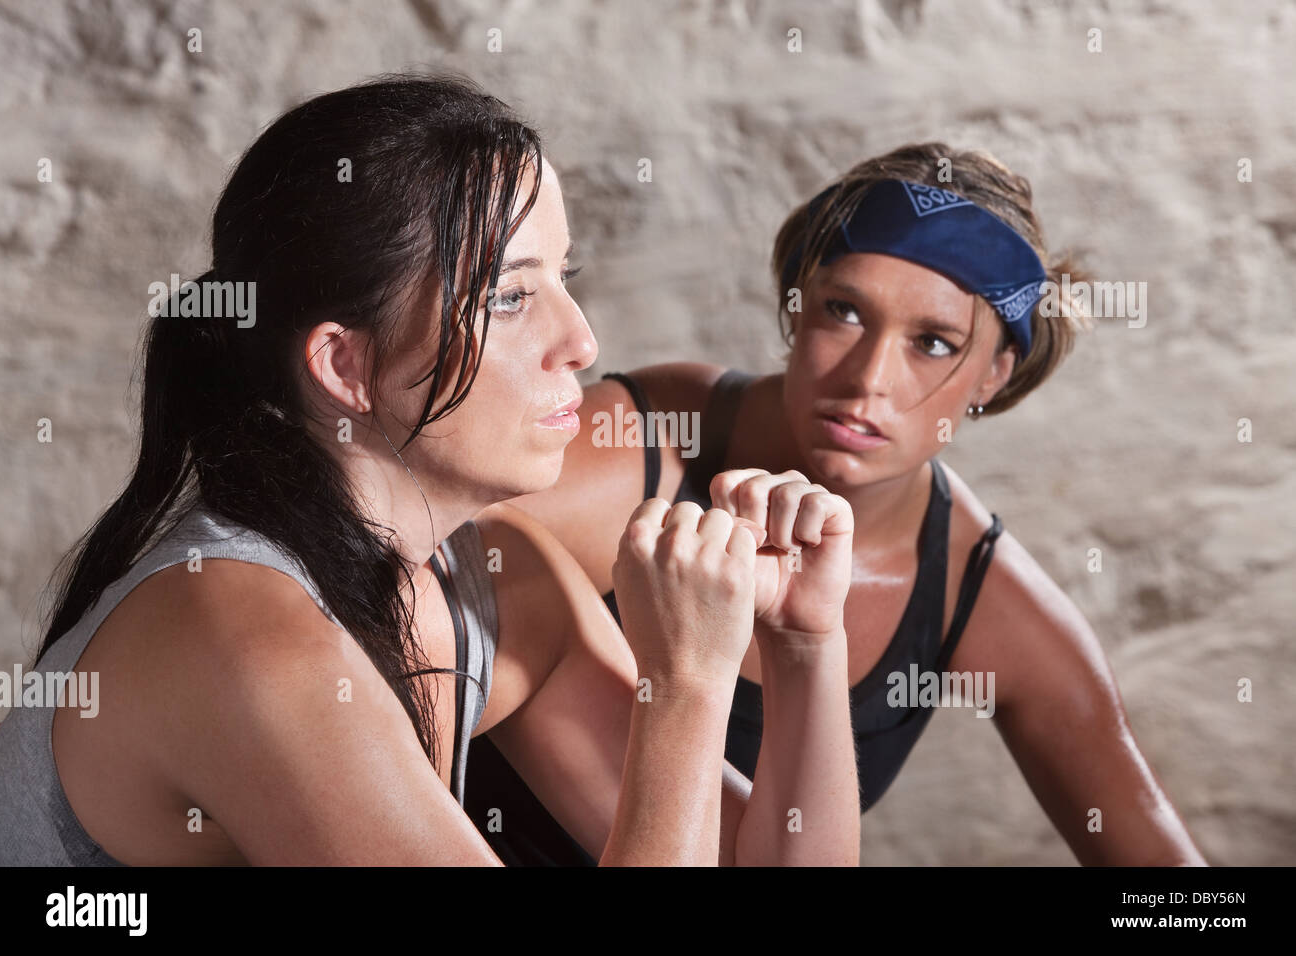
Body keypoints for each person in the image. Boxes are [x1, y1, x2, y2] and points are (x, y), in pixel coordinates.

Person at [0, 74, 861, 866]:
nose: (583, 342)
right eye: (508, 296)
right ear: (346, 369)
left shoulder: (496, 581)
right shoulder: (244, 638)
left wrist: (804, 645)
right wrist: (683, 685)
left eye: (565, 277)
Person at [468, 142, 1208, 866]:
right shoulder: (640, 451)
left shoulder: (979, 595)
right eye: (845, 311)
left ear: (994, 375)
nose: (870, 379)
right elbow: (373, 565)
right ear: (797, 304)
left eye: (935, 342)